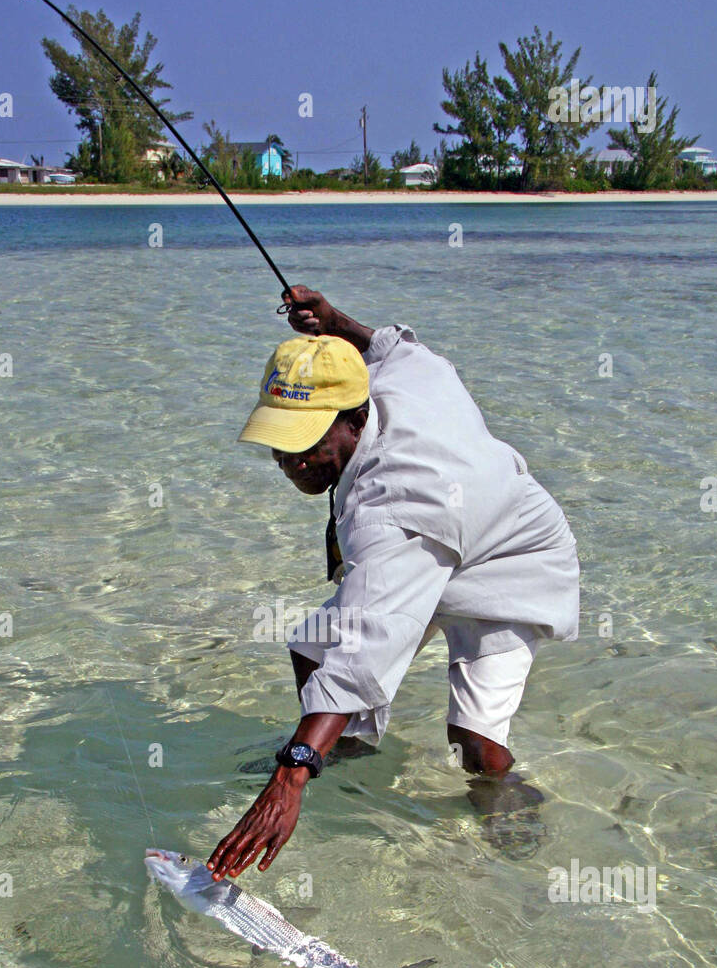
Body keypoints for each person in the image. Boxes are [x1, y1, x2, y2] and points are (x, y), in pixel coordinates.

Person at [207, 285, 579, 881]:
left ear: (357, 419)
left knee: (472, 744)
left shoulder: (392, 508)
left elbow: (362, 650)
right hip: (445, 540)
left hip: (513, 564)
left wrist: (290, 772)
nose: (290, 461)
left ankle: (504, 789)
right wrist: (332, 322)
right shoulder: (401, 378)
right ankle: (349, 746)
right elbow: (387, 345)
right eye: (279, 440)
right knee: (311, 649)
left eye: (306, 442)